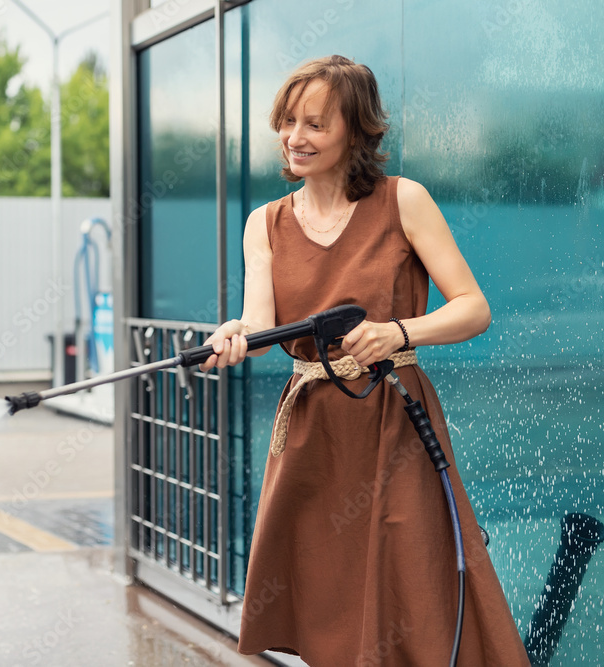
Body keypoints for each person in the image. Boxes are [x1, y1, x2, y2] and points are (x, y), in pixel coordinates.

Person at [199, 55, 530, 665]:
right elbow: (261, 324)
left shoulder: (405, 200)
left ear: (355, 130)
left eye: (316, 124)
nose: (295, 138)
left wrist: (400, 332)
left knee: (414, 588)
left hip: (394, 425)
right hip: (310, 434)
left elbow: (474, 308)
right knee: (326, 597)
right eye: (288, 122)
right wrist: (233, 335)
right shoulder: (263, 223)